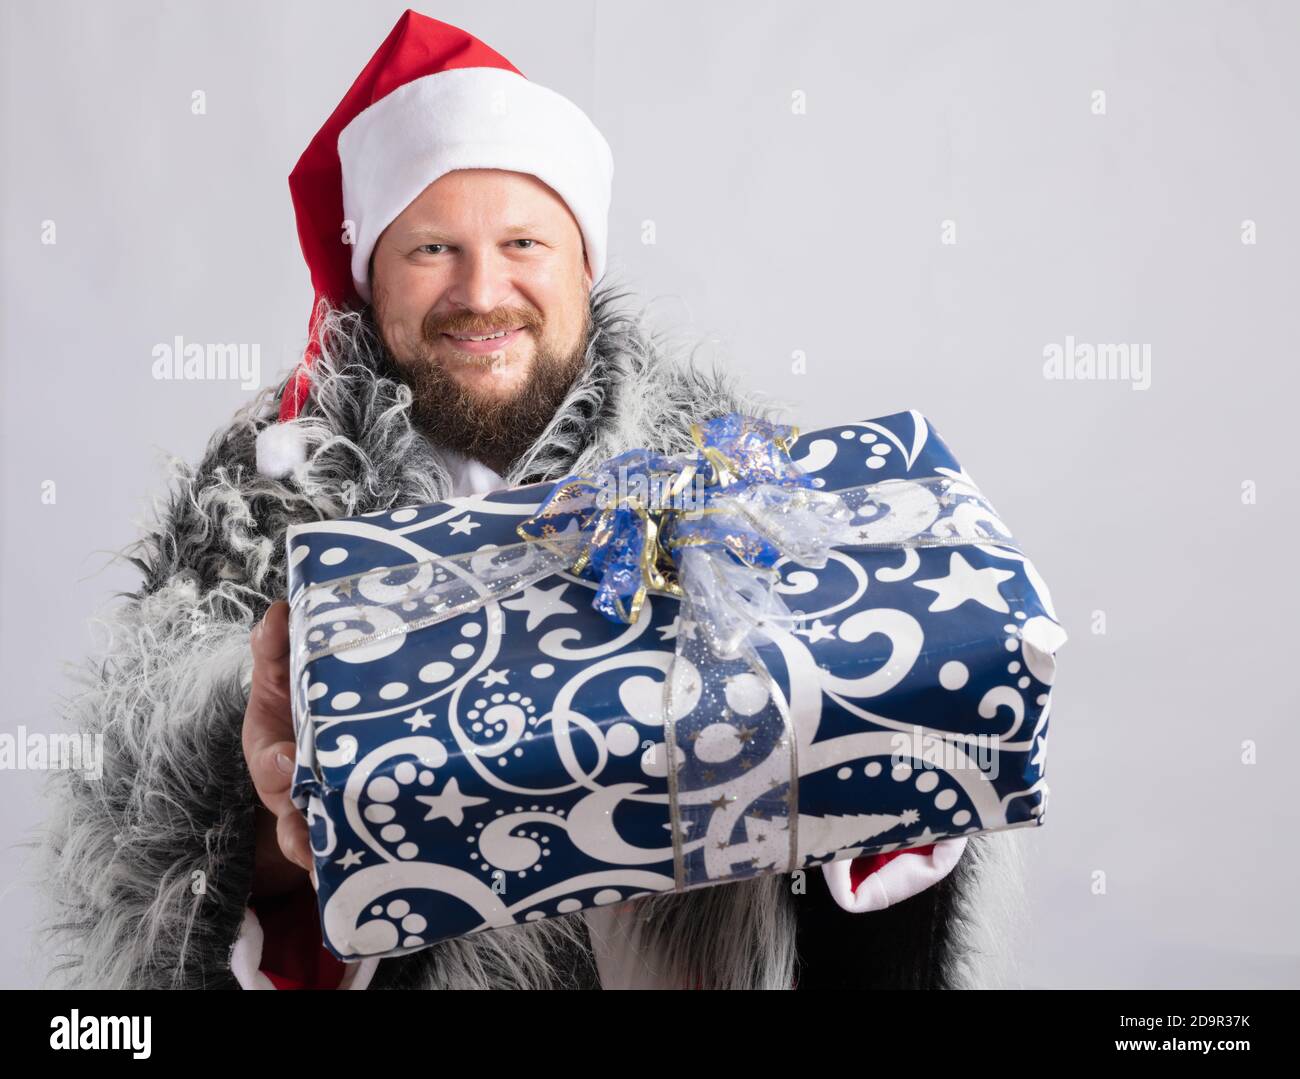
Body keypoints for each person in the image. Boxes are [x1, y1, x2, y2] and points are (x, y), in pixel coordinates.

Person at [38, 9, 1025, 990]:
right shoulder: (264, 492)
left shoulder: (723, 466)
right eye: (431, 249)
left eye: (522, 242)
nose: (481, 291)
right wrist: (267, 789)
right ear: (368, 276)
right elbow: (140, 823)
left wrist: (880, 721)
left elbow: (868, 782)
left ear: (584, 269)